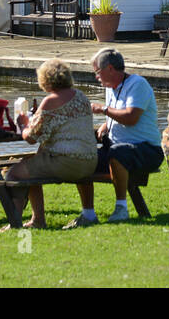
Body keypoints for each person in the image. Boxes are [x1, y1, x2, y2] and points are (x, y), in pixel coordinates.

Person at [66, 48, 163, 227]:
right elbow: (117, 113)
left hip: (147, 150)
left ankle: (121, 209)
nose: (96, 77)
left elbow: (131, 117)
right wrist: (106, 124)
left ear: (110, 68)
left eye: (97, 72)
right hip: (118, 148)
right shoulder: (111, 88)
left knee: (117, 153)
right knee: (82, 157)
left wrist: (103, 110)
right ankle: (88, 214)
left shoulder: (137, 84)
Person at [3, 59, 97, 230]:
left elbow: (31, 138)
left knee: (15, 174)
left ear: (45, 79)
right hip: (89, 160)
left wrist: (23, 124)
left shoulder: (51, 101)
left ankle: (16, 223)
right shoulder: (81, 96)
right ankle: (87, 215)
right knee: (33, 163)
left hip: (66, 161)